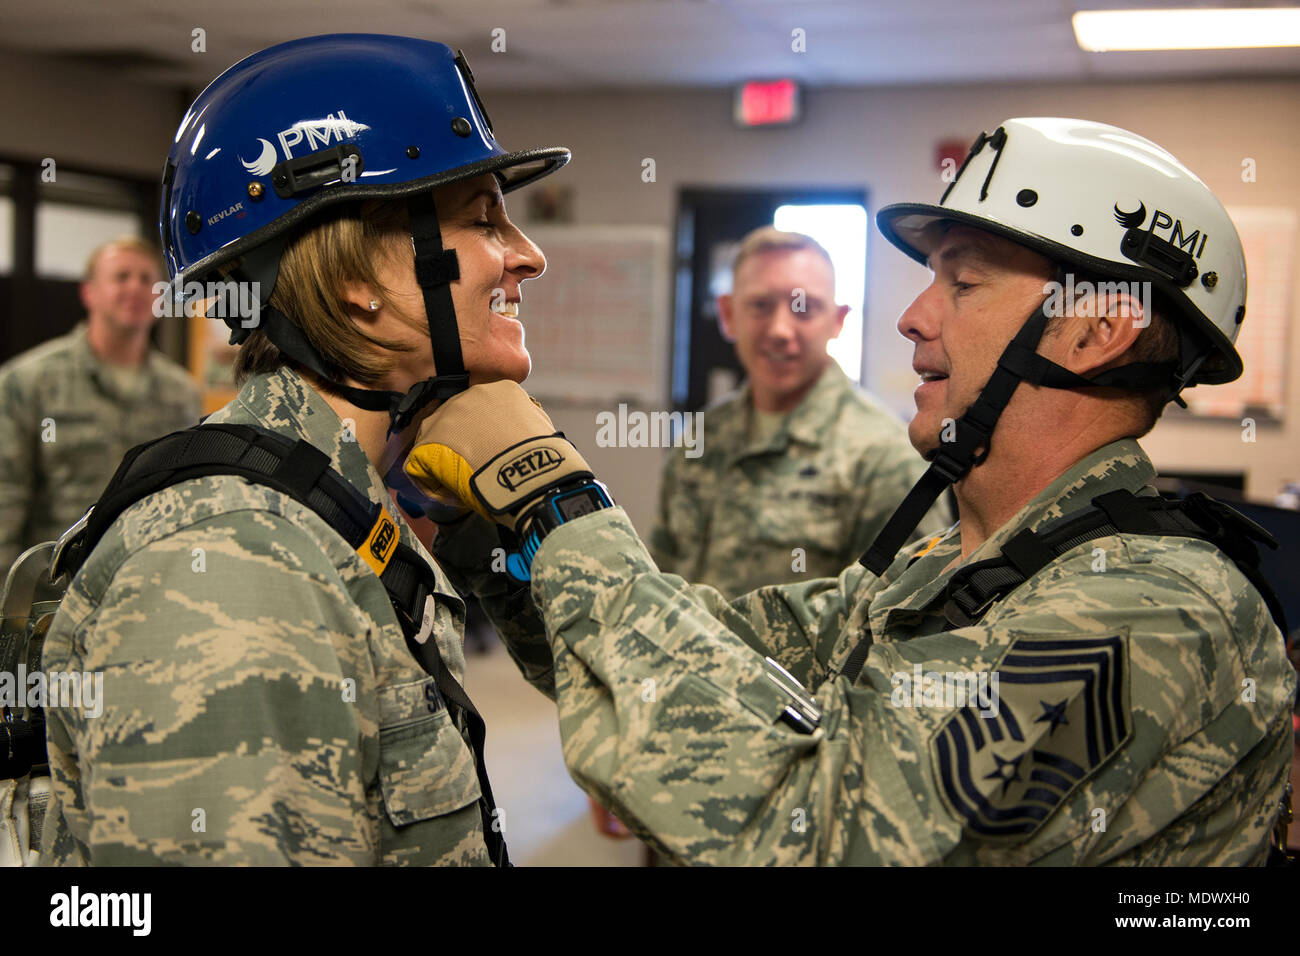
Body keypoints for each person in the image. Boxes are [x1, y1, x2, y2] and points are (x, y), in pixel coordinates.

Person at [406, 117, 1297, 865]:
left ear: (1096, 328)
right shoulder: (959, 564)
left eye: (964, 280)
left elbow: (816, 825)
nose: (912, 315)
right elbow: (716, 650)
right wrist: (495, 540)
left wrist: (550, 491)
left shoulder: (1154, 609)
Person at [38, 34, 567, 866]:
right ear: (357, 281)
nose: (527, 255)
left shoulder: (335, 507)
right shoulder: (238, 562)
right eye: (481, 218)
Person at [650, 226, 949, 599]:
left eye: (803, 308)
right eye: (760, 305)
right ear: (728, 314)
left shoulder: (884, 458)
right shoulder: (699, 440)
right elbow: (661, 587)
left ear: (838, 321)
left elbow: (898, 622)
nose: (779, 329)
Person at [0, 238, 201, 570]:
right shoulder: (27, 383)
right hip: (56, 593)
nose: (135, 288)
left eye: (147, 279)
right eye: (121, 276)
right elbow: (6, 499)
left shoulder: (181, 392)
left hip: (148, 582)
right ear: (89, 292)